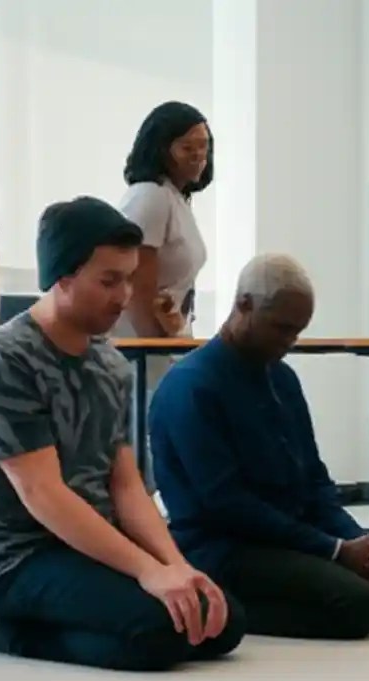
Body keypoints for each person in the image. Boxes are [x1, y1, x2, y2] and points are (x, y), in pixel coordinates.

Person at [0, 196, 244, 671]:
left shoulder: (109, 363)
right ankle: (0, 626)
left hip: (82, 542)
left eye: (128, 278)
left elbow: (124, 483)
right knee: (160, 633)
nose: (124, 295)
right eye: (109, 281)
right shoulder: (4, 360)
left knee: (218, 623)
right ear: (62, 277)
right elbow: (43, 494)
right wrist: (146, 571)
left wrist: (174, 566)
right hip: (11, 560)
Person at [149, 253, 369, 640]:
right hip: (224, 546)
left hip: (287, 537)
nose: (288, 342)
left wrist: (359, 543)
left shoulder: (282, 378)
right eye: (281, 329)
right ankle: (225, 603)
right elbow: (225, 504)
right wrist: (335, 550)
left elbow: (314, 479)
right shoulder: (192, 387)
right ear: (243, 305)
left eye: (296, 332)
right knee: (358, 606)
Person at [113, 101, 212, 493]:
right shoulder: (150, 196)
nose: (199, 157)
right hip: (143, 346)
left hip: (167, 339)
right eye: (188, 147)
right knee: (152, 446)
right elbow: (138, 284)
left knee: (166, 444)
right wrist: (157, 346)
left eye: (204, 146)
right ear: (161, 147)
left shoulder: (176, 197)